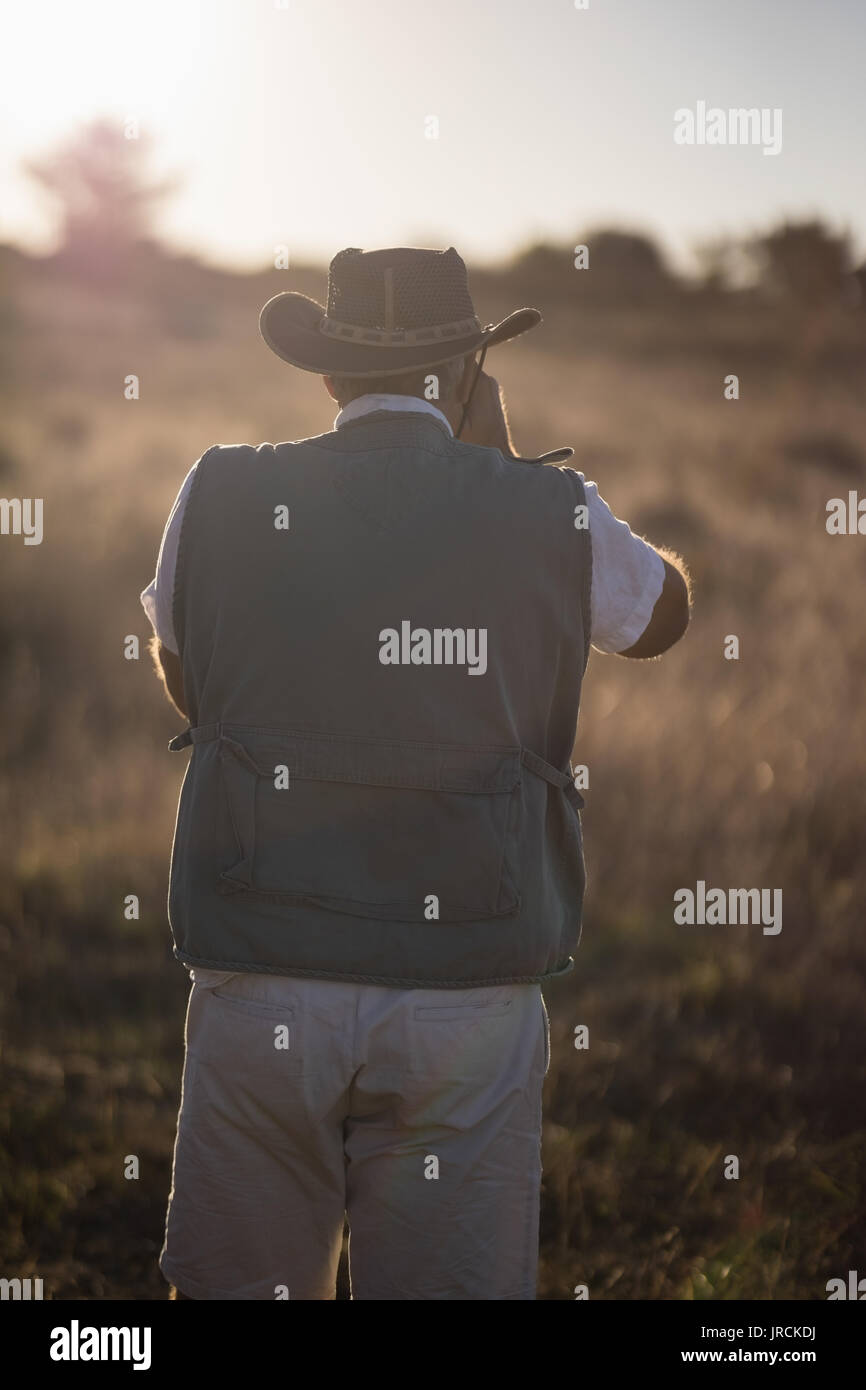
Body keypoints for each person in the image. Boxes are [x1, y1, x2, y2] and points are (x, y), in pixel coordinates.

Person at [141, 245, 691, 1301]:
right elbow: (663, 617)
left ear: (329, 376)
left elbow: (188, 680)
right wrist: (512, 466)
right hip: (465, 993)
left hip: (262, 972)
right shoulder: (550, 509)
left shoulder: (217, 488)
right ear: (470, 372)